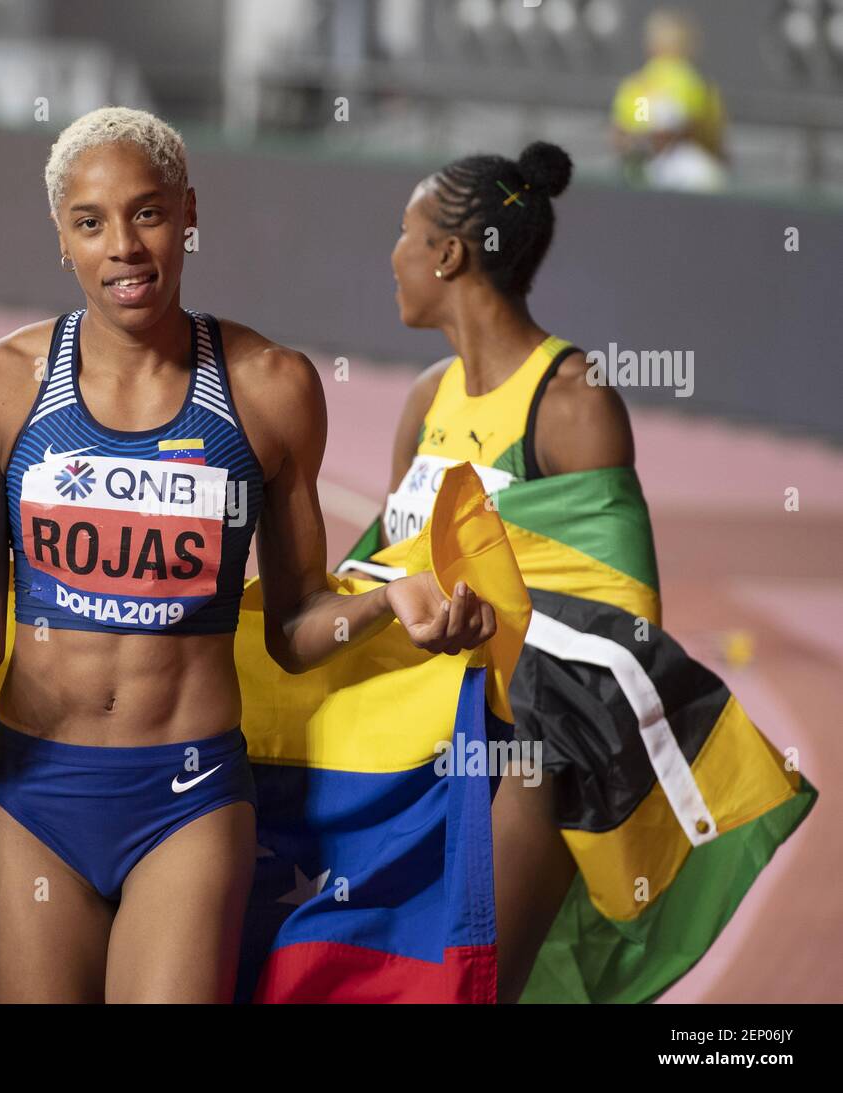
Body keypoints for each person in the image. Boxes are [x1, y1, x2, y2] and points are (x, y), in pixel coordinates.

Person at [0, 106, 497, 1003]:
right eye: (91, 222)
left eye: (147, 214)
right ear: (61, 236)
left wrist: (386, 601)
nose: (124, 248)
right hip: (35, 794)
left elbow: (294, 627)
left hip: (189, 798)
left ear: (189, 212)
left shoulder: (270, 388)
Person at [354, 140, 812, 1004]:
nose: (393, 254)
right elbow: (387, 561)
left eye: (404, 233)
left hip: (528, 759)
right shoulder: (426, 398)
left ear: (448, 254)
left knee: (477, 989)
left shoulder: (570, 401)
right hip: (417, 744)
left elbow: (623, 620)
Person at [610, 9, 727, 192]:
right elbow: (702, 134)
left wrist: (642, 141)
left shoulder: (636, 84)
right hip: (681, 173)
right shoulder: (692, 81)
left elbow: (624, 133)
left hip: (642, 170)